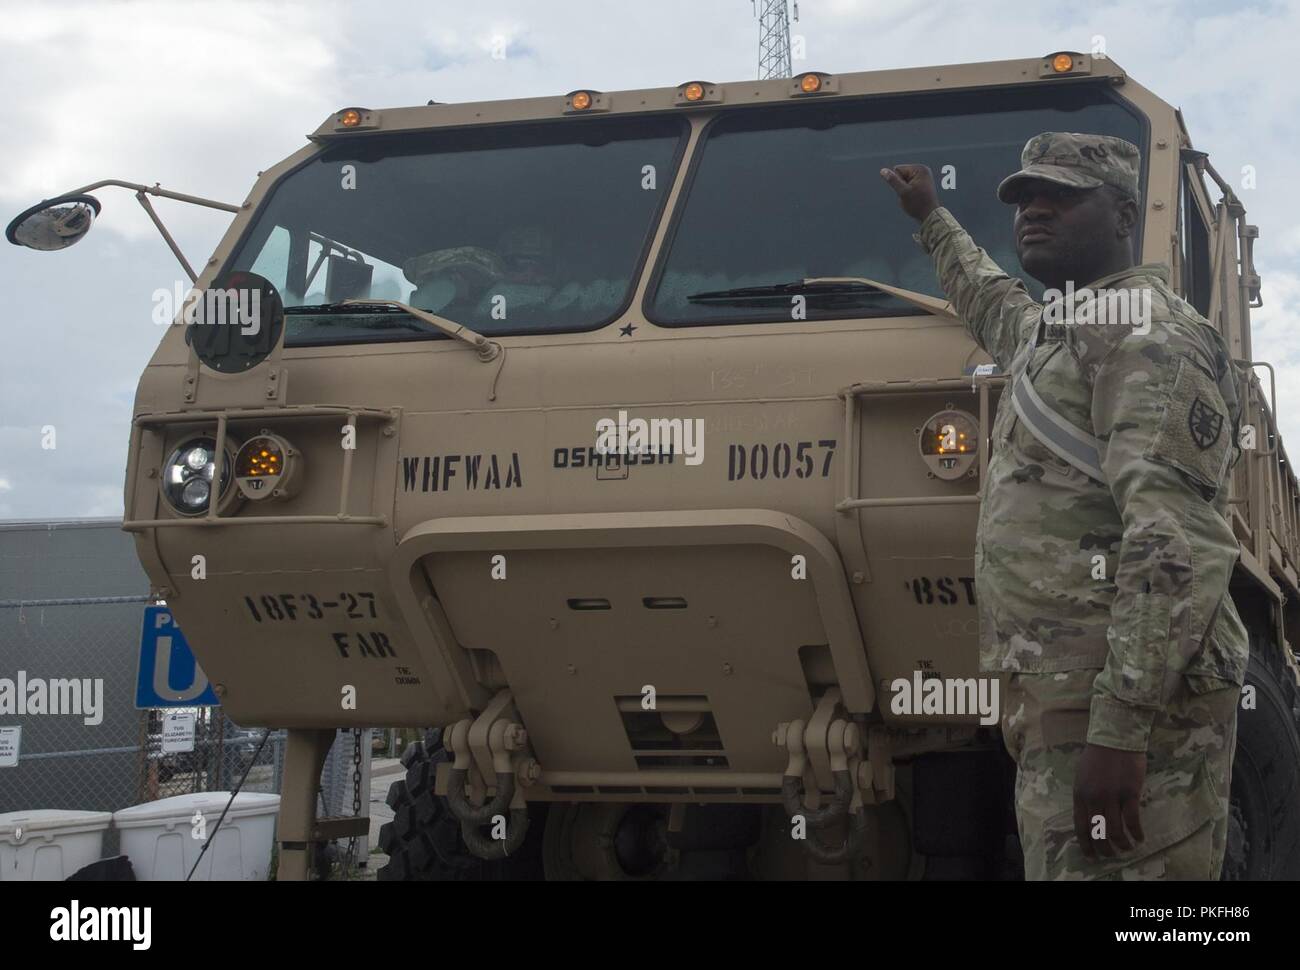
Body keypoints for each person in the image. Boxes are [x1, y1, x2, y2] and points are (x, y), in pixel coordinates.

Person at [881, 133, 1247, 880]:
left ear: (1120, 215)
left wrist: (1120, 731)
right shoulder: (1061, 331)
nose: (1032, 211)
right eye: (1022, 199)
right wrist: (931, 216)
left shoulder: (1146, 335)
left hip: (1130, 711)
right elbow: (988, 298)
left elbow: (1174, 541)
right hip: (1067, 705)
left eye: (1059, 196)